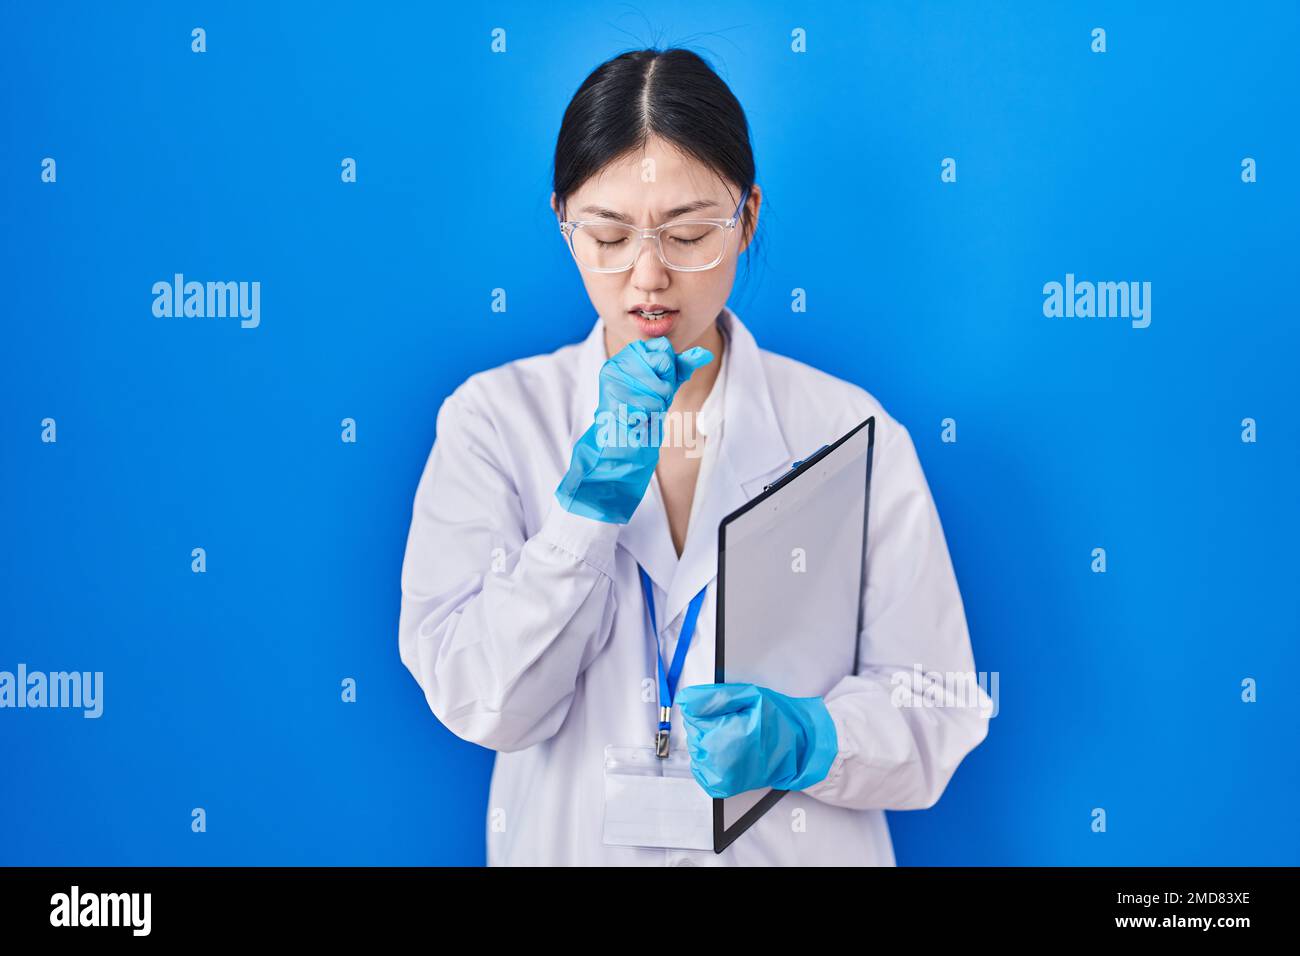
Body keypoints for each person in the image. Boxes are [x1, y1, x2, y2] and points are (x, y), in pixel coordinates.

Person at [398, 47, 990, 866]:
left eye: (688, 234)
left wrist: (811, 737)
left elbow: (939, 705)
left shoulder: (849, 431)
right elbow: (481, 701)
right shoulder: (494, 422)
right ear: (563, 222)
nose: (649, 276)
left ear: (747, 217)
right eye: (608, 235)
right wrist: (581, 519)